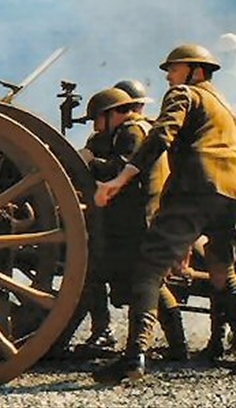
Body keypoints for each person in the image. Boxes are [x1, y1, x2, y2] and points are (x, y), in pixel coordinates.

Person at [93, 44, 236, 384]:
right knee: (222, 271)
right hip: (235, 195)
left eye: (173, 68)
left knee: (148, 269)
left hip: (198, 188)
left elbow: (162, 135)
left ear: (194, 70)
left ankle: (134, 359)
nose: (168, 76)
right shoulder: (226, 106)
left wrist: (121, 177)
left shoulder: (183, 94)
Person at [81, 87, 187, 361]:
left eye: (97, 118)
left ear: (111, 113)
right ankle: (175, 346)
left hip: (137, 221)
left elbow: (120, 170)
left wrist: (89, 164)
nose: (95, 125)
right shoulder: (133, 130)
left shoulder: (132, 132)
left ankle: (159, 348)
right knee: (143, 280)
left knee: (146, 281)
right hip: (136, 219)